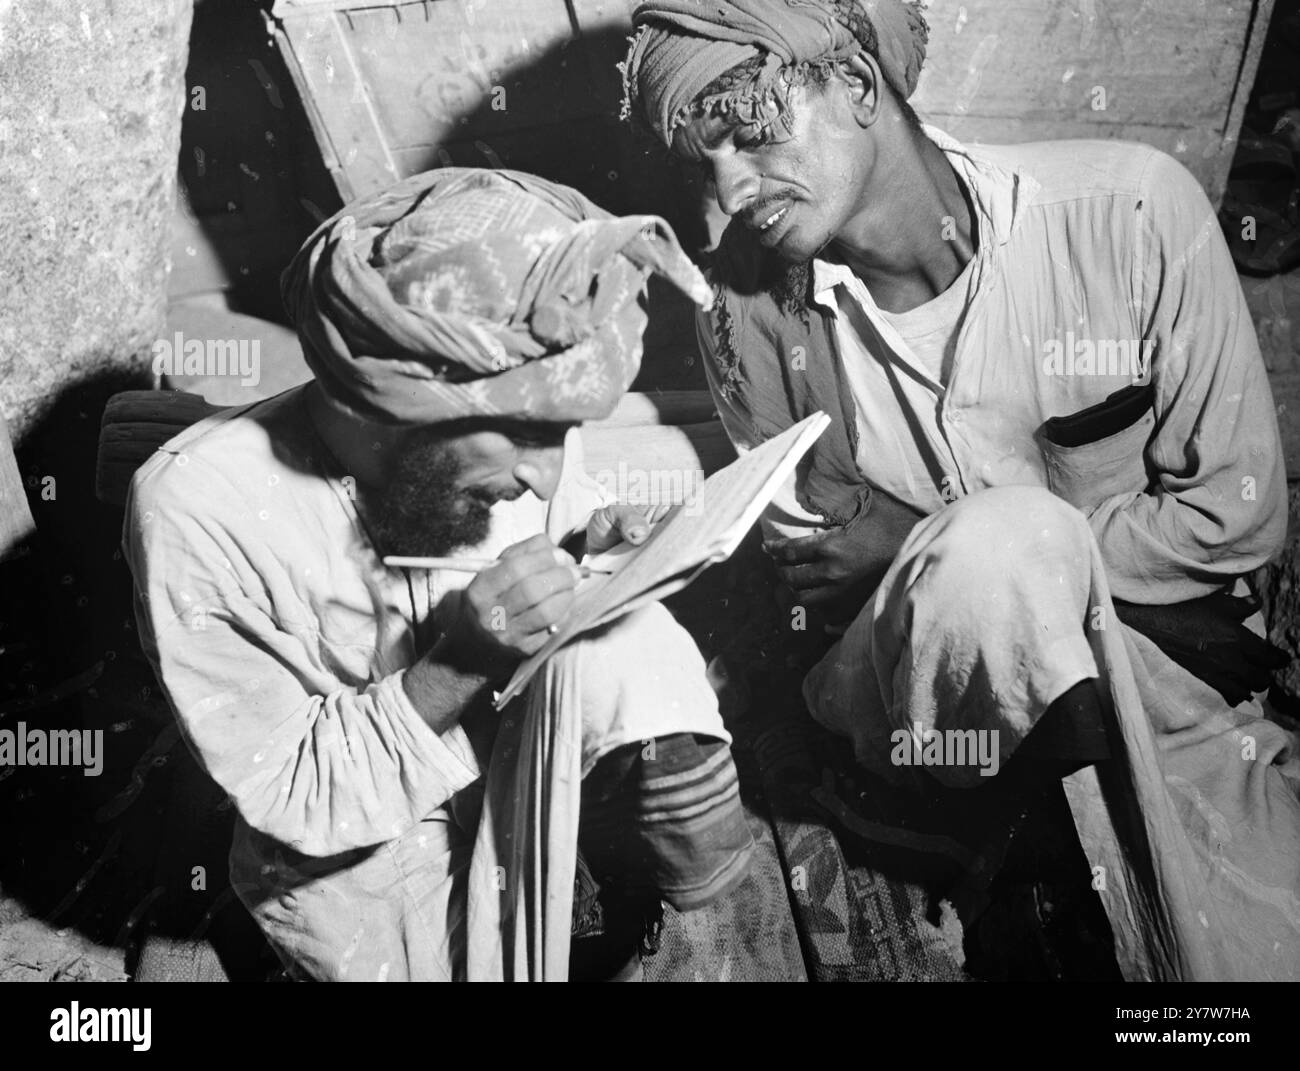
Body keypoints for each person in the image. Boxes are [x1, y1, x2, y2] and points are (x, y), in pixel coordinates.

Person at [622, 0, 1300, 981]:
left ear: (855, 83)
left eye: (751, 133)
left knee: (1246, 948)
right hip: (912, 689)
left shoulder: (1129, 216)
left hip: (1158, 656)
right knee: (997, 554)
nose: (723, 192)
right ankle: (1028, 878)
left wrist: (920, 530)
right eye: (703, 161)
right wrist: (962, 548)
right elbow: (825, 572)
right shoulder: (747, 317)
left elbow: (1229, 525)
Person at [124, 168, 754, 982]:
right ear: (401, 411)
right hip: (356, 856)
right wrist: (459, 662)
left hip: (520, 777)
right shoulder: (199, 507)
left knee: (638, 648)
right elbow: (293, 789)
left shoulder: (493, 442)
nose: (544, 472)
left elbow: (555, 525)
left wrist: (596, 545)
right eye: (525, 437)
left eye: (563, 436)